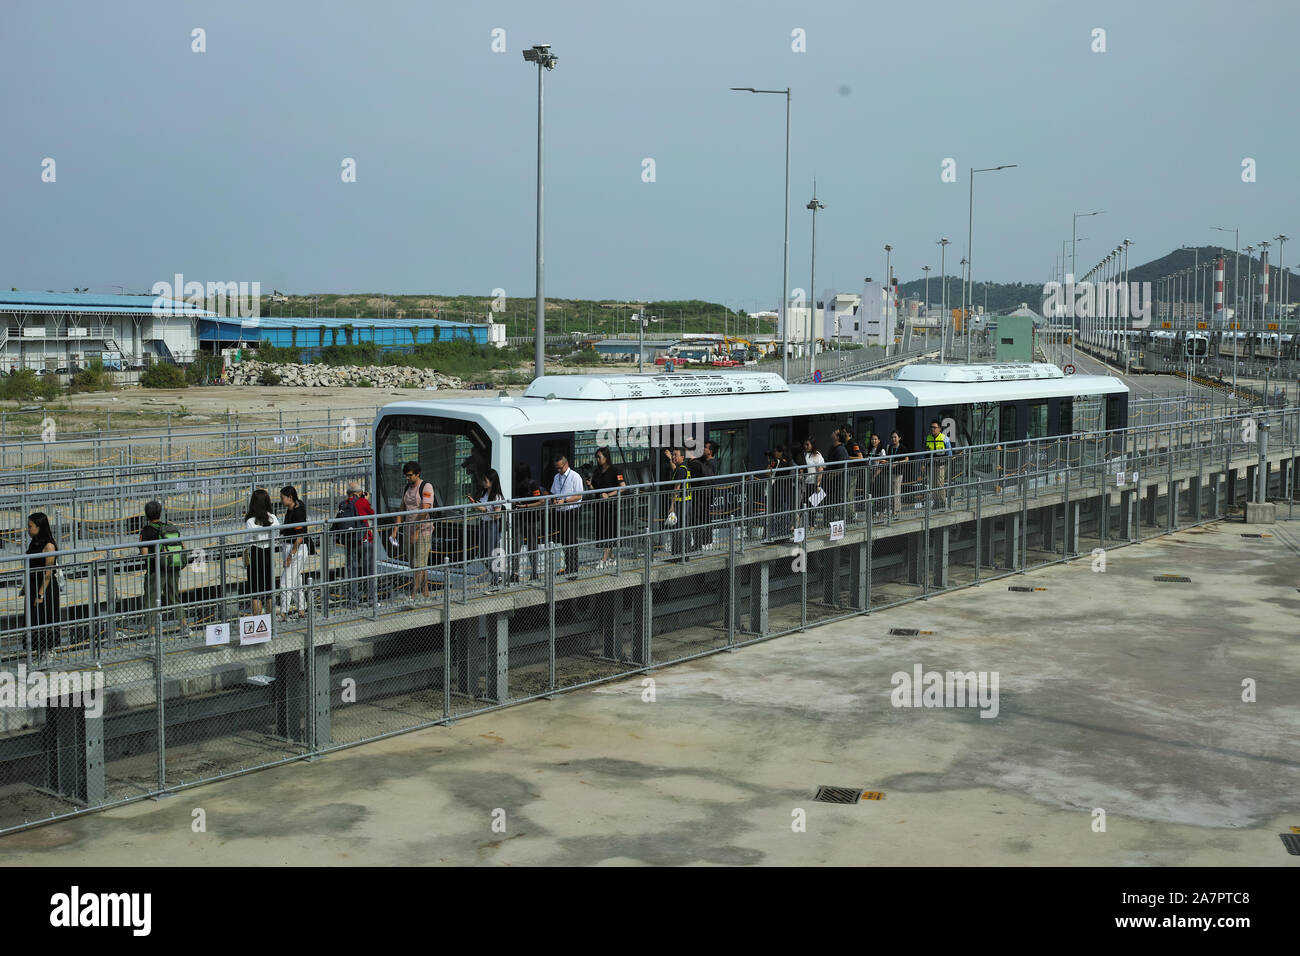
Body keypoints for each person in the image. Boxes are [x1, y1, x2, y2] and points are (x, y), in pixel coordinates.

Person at [139, 500, 189, 636]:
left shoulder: (146, 531)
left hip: (155, 571)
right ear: (160, 513)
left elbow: (144, 553)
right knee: (174, 597)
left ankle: (153, 632)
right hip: (172, 568)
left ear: (146, 515)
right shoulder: (170, 527)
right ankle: (184, 626)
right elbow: (183, 546)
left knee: (151, 600)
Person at [392, 461, 436, 600]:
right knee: (415, 563)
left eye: (410, 475)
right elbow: (401, 509)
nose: (407, 478)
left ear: (418, 474)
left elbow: (424, 511)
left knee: (419, 563)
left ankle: (413, 594)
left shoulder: (426, 487)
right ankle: (425, 590)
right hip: (408, 529)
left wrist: (416, 532)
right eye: (406, 475)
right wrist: (395, 530)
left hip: (423, 531)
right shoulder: (407, 487)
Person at [25, 512, 59, 664]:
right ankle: (39, 651)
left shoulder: (49, 546)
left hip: (45, 588)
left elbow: (47, 572)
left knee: (46, 618)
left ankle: (49, 652)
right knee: (34, 620)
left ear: (39, 527)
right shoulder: (34, 543)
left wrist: (40, 595)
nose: (28, 529)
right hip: (33, 585)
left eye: (30, 526)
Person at [336, 481, 375, 607]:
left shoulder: (343, 504)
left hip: (349, 541)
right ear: (359, 493)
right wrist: (367, 500)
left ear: (348, 493)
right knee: (369, 570)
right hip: (364, 539)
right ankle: (371, 599)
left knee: (352, 570)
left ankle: (353, 599)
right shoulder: (362, 501)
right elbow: (372, 514)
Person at [244, 488, 280, 616]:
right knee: (270, 589)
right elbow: (276, 537)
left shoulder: (250, 521)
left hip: (255, 553)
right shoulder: (273, 518)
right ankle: (271, 621)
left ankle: (257, 621)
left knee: (256, 591)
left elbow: (248, 541)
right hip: (269, 552)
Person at [470, 468, 507, 590]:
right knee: (482, 554)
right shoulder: (485, 494)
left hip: (492, 525)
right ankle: (496, 575)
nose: (483, 483)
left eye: (485, 481)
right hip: (484, 523)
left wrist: (484, 510)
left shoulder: (497, 496)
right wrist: (475, 504)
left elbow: (497, 515)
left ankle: (496, 579)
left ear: (492, 481)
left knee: (491, 554)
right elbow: (482, 508)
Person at [589, 447, 625, 568]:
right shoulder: (597, 471)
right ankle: (612, 557)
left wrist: (609, 495)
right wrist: (590, 485)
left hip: (611, 506)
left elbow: (623, 487)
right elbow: (595, 488)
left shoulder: (615, 471)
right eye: (597, 457)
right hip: (599, 505)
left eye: (600, 457)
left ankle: (603, 559)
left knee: (609, 531)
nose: (598, 459)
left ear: (606, 457)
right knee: (602, 531)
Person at [550, 454, 584, 577]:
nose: (559, 470)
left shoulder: (575, 476)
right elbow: (553, 492)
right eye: (557, 468)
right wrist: (554, 500)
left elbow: (579, 495)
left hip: (572, 510)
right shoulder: (556, 477)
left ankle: (574, 569)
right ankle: (568, 566)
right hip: (560, 511)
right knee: (564, 540)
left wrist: (564, 501)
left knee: (571, 540)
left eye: (560, 468)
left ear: (566, 464)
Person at [279, 485, 309, 620]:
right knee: (297, 581)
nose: (281, 500)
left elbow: (300, 536)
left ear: (290, 498)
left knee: (286, 581)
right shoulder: (293, 507)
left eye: (282, 498)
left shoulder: (297, 512)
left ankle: (283, 613)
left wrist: (291, 555)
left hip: (296, 549)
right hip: (290, 547)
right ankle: (301, 610)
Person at [511, 462, 545, 581]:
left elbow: (540, 501)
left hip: (532, 519)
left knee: (532, 545)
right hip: (521, 518)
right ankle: (515, 573)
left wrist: (525, 506)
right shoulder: (516, 484)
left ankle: (534, 572)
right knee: (516, 545)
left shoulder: (533, 484)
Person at [668, 447, 693, 560]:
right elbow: (674, 469)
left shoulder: (681, 470)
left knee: (679, 529)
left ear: (682, 457)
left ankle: (680, 554)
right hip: (685, 502)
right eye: (673, 455)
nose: (674, 457)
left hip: (680, 503)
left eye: (675, 455)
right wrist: (669, 459)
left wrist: (672, 506)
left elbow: (677, 488)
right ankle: (682, 554)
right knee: (682, 528)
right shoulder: (682, 468)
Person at [696, 440, 720, 549]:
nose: (703, 449)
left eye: (705, 447)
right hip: (705, 493)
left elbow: (708, 478)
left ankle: (706, 542)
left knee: (704, 517)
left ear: (710, 451)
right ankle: (704, 541)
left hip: (706, 494)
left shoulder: (711, 463)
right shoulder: (705, 461)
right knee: (703, 516)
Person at [924, 420, 951, 508]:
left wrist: (948, 462)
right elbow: (926, 452)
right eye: (931, 427)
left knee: (940, 483)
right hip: (931, 464)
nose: (933, 429)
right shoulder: (928, 438)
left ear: (939, 429)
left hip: (941, 465)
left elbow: (949, 452)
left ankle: (942, 502)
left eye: (935, 427)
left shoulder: (944, 438)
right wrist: (924, 464)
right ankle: (936, 503)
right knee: (933, 484)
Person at [802, 438, 825, 525]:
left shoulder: (817, 455)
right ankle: (798, 526)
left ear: (812, 445)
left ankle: (811, 525)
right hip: (804, 484)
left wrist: (818, 484)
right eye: (805, 444)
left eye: (807, 444)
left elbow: (820, 470)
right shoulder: (803, 454)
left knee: (812, 505)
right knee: (803, 505)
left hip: (813, 484)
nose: (805, 446)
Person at [885, 430, 910, 514]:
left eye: (895, 437)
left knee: (896, 491)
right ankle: (892, 509)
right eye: (892, 437)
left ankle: (896, 510)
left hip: (898, 472)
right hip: (890, 471)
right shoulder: (890, 447)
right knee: (890, 491)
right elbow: (888, 459)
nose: (893, 439)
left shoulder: (903, 447)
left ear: (899, 438)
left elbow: (907, 459)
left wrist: (897, 462)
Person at [865, 433, 887, 516]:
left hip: (879, 474)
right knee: (872, 493)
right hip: (870, 473)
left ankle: (881, 512)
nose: (873, 441)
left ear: (879, 440)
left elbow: (882, 464)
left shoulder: (882, 451)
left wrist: (874, 476)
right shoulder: (869, 450)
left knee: (880, 493)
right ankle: (872, 511)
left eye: (875, 439)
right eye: (872, 439)